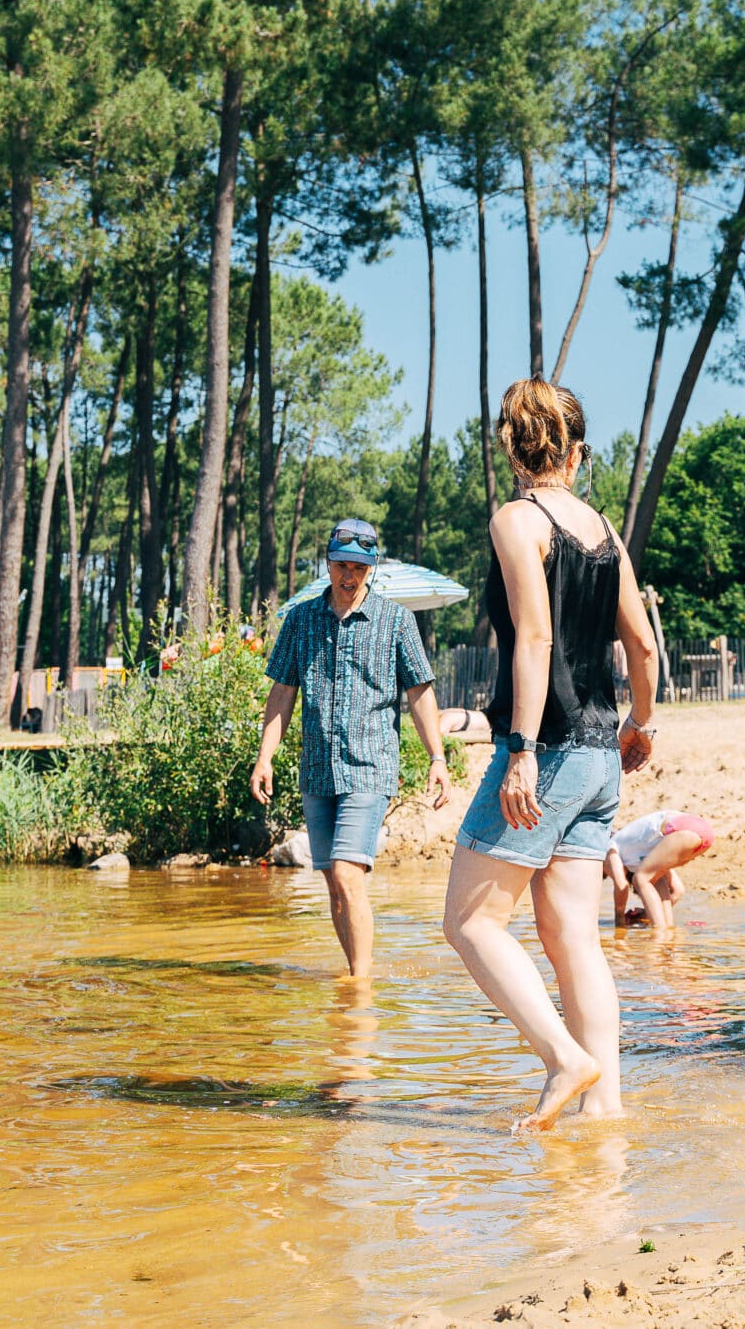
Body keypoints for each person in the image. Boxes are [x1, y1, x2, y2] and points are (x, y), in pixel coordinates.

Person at [443, 378, 658, 1131]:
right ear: (577, 450)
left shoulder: (517, 519)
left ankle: (563, 1057)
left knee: (469, 921)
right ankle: (605, 1107)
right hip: (603, 754)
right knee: (572, 937)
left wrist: (522, 748)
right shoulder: (604, 527)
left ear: (510, 444)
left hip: (554, 749)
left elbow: (532, 638)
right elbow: (643, 644)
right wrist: (643, 725)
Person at [251, 517, 451, 981]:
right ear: (327, 563)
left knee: (346, 873)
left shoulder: (396, 621)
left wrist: (437, 758)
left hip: (370, 768)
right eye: (341, 565)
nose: (349, 576)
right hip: (317, 770)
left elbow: (420, 692)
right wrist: (265, 756)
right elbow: (282, 693)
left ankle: (361, 985)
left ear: (371, 568)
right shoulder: (300, 620)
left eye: (358, 568)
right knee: (333, 882)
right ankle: (354, 974)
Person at [604, 810, 715, 929]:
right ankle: (667, 935)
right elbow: (678, 890)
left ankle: (658, 932)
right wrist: (648, 912)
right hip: (705, 832)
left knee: (640, 879)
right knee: (655, 880)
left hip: (684, 828)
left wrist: (619, 920)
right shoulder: (640, 849)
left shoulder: (610, 846)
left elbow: (621, 885)